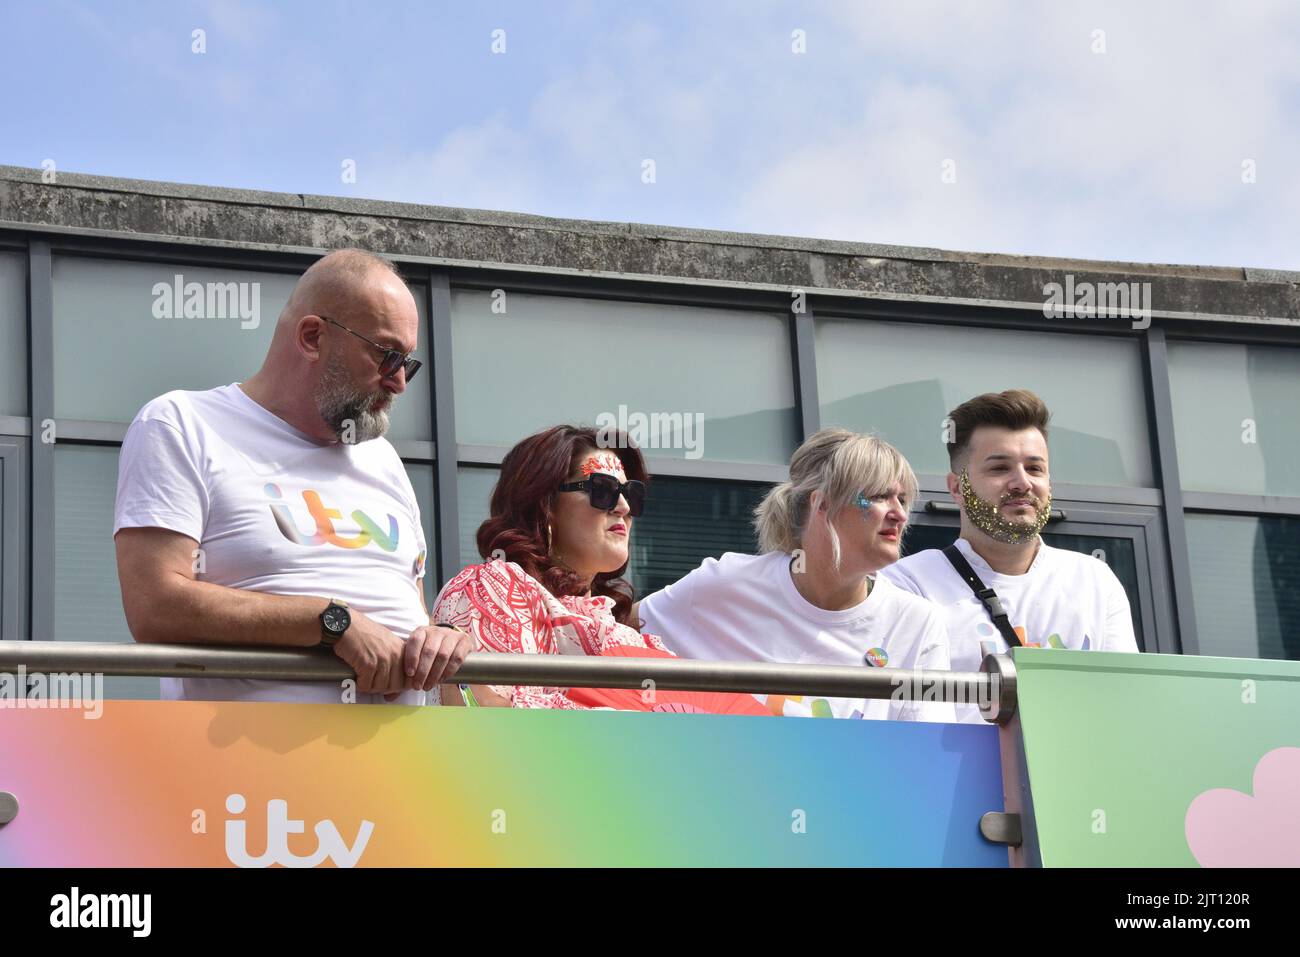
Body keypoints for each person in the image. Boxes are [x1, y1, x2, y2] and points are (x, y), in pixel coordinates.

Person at [113, 249, 472, 704]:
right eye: (387, 356)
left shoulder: (383, 460)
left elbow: (407, 609)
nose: (399, 381)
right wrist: (329, 622)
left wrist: (437, 639)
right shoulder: (182, 423)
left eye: (407, 363)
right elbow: (155, 606)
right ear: (312, 337)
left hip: (399, 765)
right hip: (244, 767)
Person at [433, 425, 765, 715]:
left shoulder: (627, 634)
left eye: (631, 495)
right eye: (602, 491)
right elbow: (487, 718)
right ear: (546, 504)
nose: (623, 508)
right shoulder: (493, 585)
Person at [636, 428, 955, 722]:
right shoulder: (724, 585)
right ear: (823, 504)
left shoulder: (916, 622)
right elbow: (610, 627)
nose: (899, 513)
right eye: (879, 496)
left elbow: (928, 757)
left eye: (902, 499)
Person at [880, 389, 1138, 722]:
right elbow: (900, 717)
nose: (1021, 483)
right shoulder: (906, 584)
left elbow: (1126, 705)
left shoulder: (1094, 580)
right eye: (1000, 468)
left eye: (1035, 468)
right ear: (957, 488)